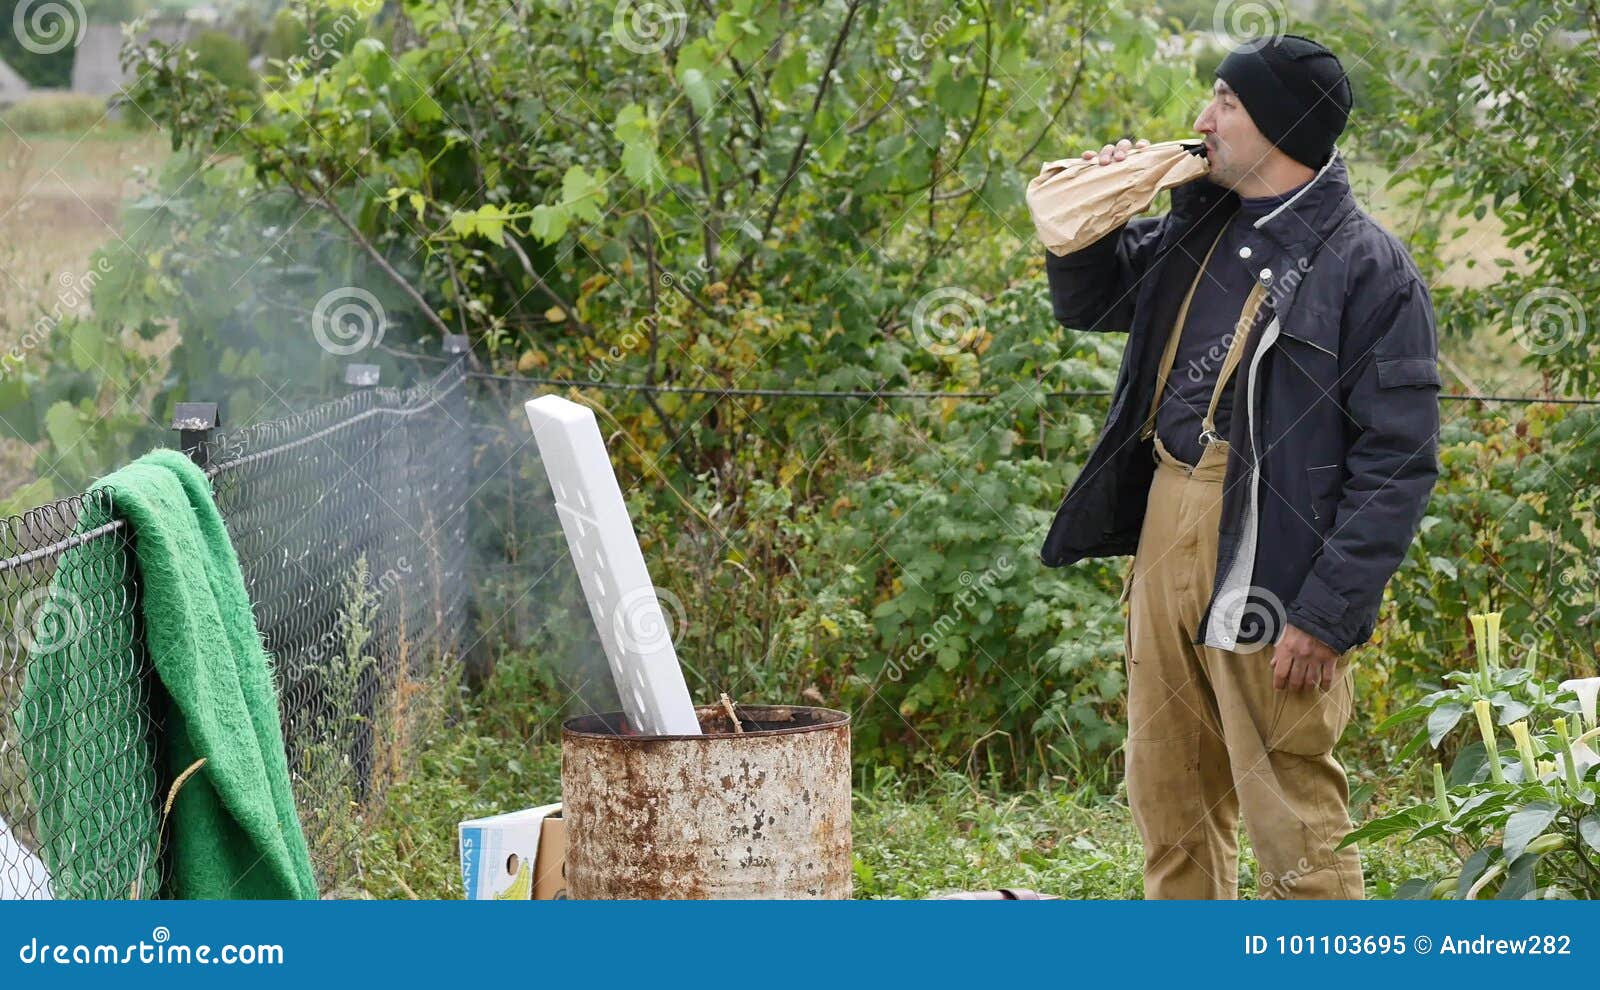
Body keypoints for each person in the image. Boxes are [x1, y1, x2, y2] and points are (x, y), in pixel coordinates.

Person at [1038, 34, 1441, 899]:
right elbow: (1093, 301)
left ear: (1280, 125)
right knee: (1168, 799)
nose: (1201, 119)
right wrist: (1091, 209)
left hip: (1272, 553)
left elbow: (1398, 462)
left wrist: (1328, 615)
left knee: (1289, 815)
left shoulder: (1370, 268)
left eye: (1224, 101)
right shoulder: (1200, 224)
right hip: (1167, 517)